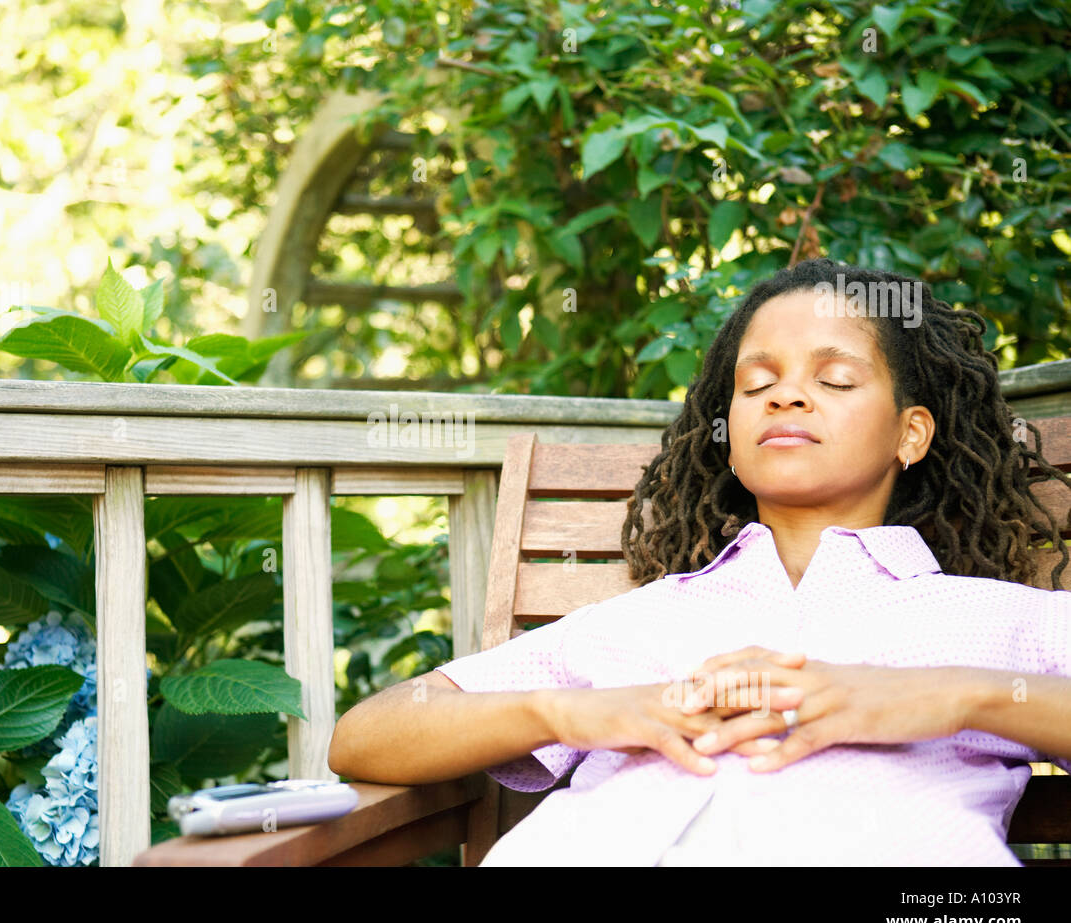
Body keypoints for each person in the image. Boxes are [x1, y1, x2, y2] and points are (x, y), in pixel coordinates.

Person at [327, 257, 1071, 866]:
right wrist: (579, 711)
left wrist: (956, 697)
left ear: (912, 434)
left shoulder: (1001, 624)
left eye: (834, 380)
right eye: (758, 384)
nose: (787, 398)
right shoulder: (642, 622)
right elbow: (365, 736)